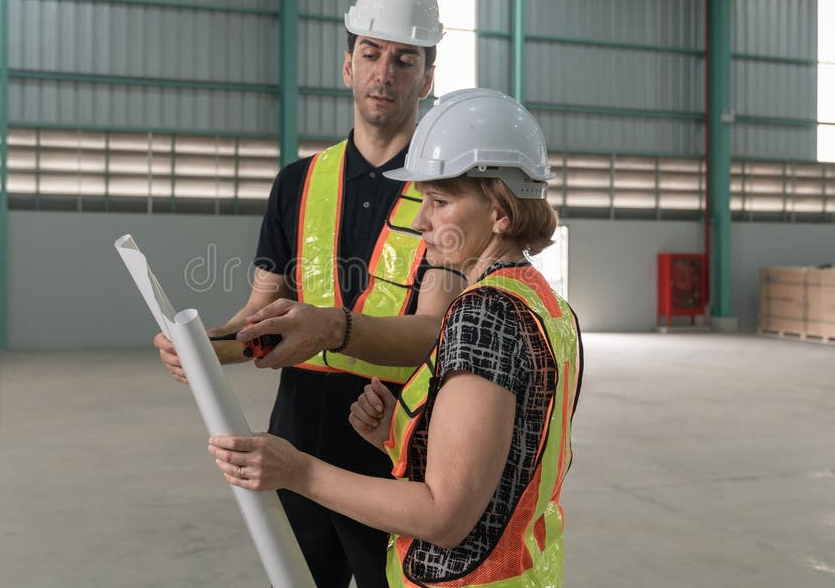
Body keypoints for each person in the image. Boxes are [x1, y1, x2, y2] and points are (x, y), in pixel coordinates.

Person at [154, 0, 463, 588]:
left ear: (428, 77)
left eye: (405, 59)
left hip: (391, 445)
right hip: (293, 437)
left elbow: (432, 331)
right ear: (347, 66)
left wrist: (332, 328)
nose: (385, 73)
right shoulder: (296, 182)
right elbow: (261, 312)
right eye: (371, 54)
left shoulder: (445, 193)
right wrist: (205, 348)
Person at [207, 88, 584, 588]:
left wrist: (297, 471)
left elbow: (443, 517)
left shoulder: (483, 316)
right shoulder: (546, 304)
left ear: (499, 212)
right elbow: (513, 452)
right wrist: (405, 434)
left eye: (440, 201)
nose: (420, 221)